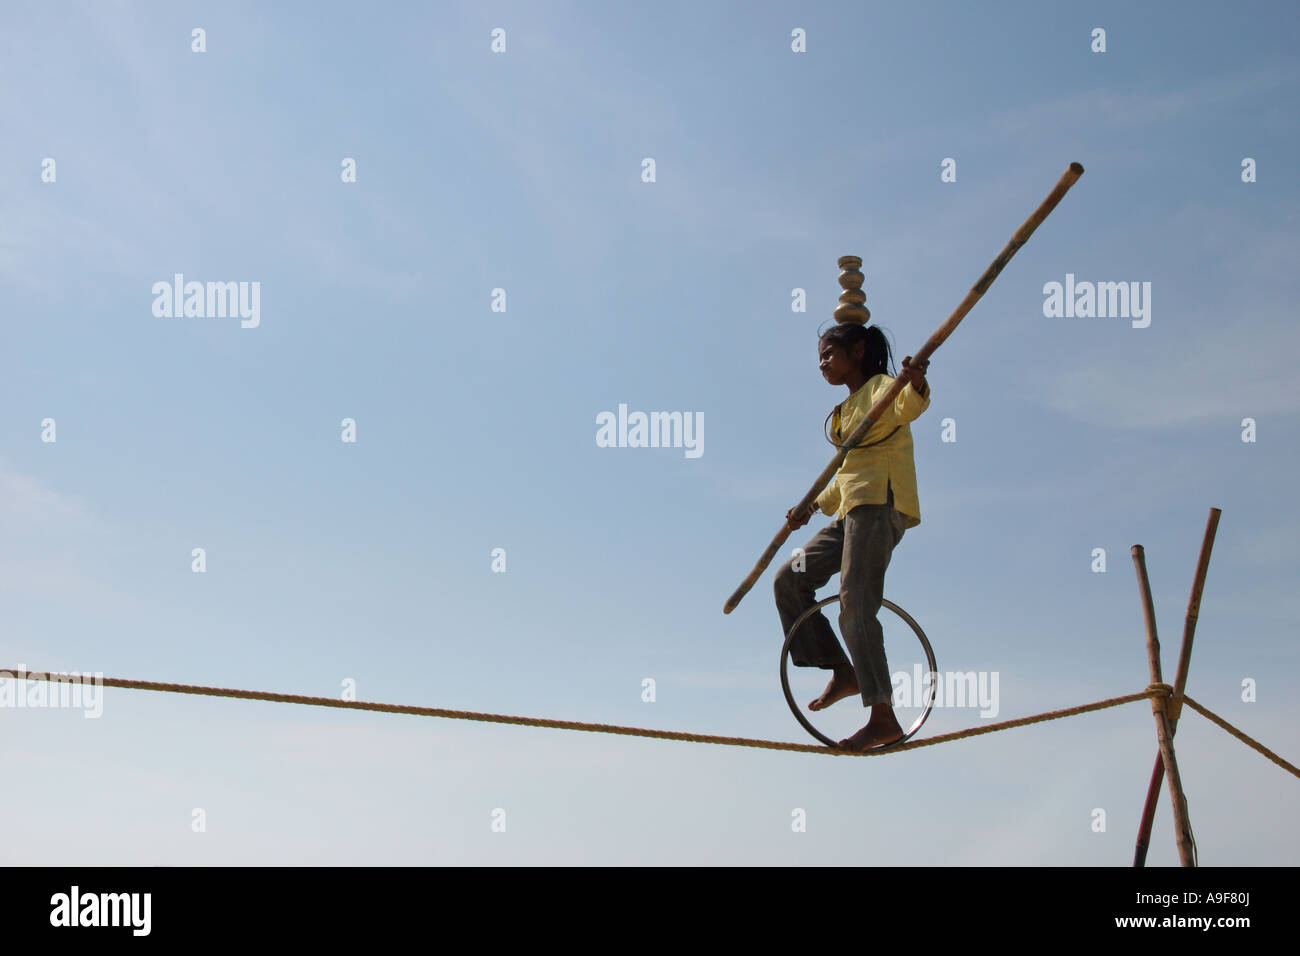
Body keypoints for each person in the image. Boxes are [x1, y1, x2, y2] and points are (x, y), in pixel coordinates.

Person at [773, 322, 930, 751]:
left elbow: (906, 406)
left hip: (880, 505)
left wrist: (914, 382)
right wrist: (811, 507)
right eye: (820, 357)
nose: (822, 363)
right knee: (789, 578)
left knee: (854, 605)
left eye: (829, 353)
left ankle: (883, 716)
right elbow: (845, 477)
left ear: (857, 351)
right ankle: (842, 669)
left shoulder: (883, 387)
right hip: (850, 511)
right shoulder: (844, 414)